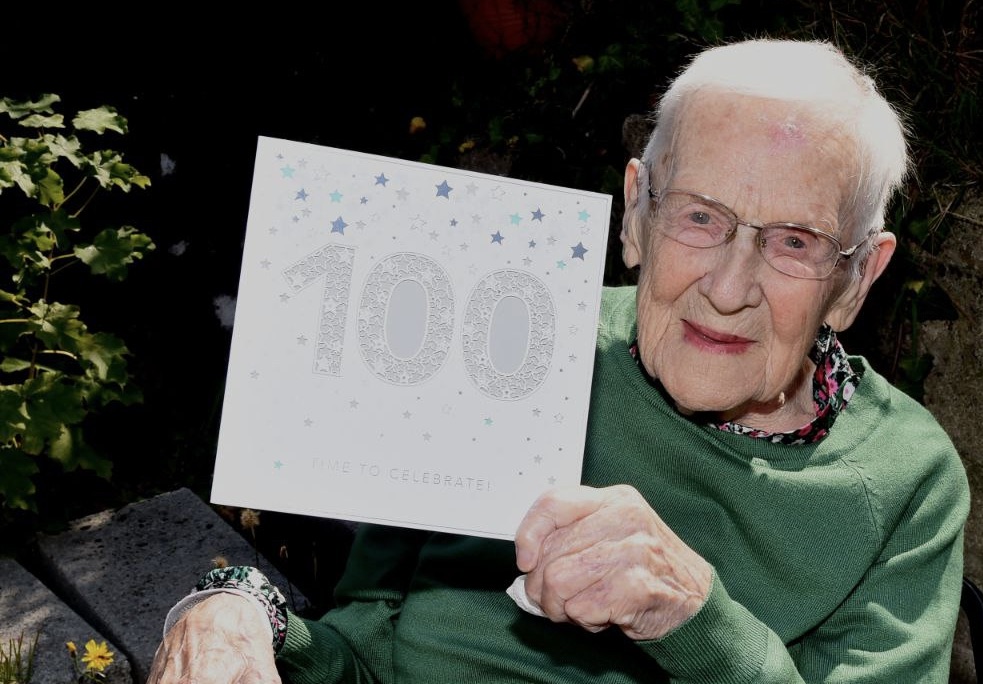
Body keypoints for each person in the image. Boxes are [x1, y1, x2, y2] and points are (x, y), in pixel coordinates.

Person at [148, 38, 970, 683]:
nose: (727, 287)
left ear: (856, 278)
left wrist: (696, 620)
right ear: (635, 213)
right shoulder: (500, 330)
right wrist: (238, 611)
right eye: (698, 217)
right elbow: (365, 649)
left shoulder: (903, 481)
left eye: (794, 242)